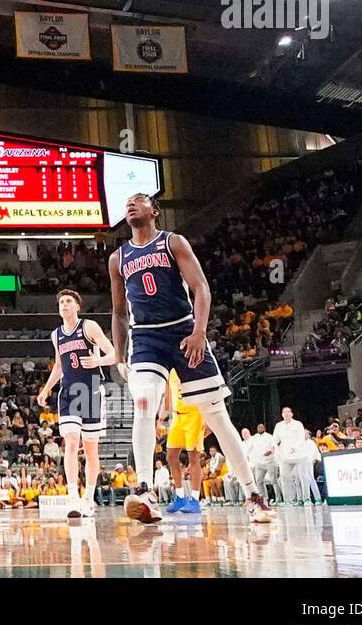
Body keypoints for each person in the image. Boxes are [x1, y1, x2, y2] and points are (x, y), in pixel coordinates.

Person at [110, 193, 275, 524]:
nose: (131, 205)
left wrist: (199, 332)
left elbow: (201, 287)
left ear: (154, 211)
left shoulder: (173, 242)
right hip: (146, 337)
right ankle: (144, 490)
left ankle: (253, 495)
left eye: (138, 201)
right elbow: (118, 312)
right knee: (143, 404)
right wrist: (118, 354)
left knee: (218, 418)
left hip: (183, 331)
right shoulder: (118, 257)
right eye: (127, 202)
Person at [35, 289, 115, 518]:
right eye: (61, 302)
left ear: (77, 307)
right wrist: (46, 388)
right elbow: (59, 367)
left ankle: (88, 497)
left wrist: (98, 360)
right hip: (69, 392)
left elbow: (114, 354)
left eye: (69, 301)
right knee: (70, 442)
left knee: (91, 450)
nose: (64, 304)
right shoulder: (56, 334)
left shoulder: (89, 327)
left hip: (90, 390)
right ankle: (72, 497)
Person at [163, 370, 206, 515]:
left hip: (194, 415)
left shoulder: (194, 365)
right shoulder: (171, 372)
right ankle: (180, 496)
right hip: (177, 416)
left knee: (193, 457)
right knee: (170, 456)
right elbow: (168, 400)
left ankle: (195, 499)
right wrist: (160, 420)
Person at [273, 407, 307, 505]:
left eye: (288, 412)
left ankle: (306, 499)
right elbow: (275, 439)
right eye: (284, 412)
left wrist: (294, 447)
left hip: (299, 455)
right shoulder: (279, 426)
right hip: (285, 456)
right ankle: (289, 500)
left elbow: (301, 438)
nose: (286, 413)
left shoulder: (298, 424)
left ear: (292, 414)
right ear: (282, 414)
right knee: (285, 478)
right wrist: (274, 446)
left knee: (302, 477)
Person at [246, 422, 281, 503]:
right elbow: (248, 448)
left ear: (264, 428)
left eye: (262, 427)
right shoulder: (254, 437)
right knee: (259, 481)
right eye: (259, 427)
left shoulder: (269, 436)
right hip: (259, 463)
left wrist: (271, 451)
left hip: (270, 462)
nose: (260, 428)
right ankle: (264, 498)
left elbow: (274, 445)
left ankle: (278, 499)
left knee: (274, 481)